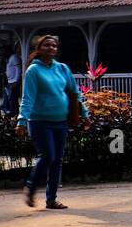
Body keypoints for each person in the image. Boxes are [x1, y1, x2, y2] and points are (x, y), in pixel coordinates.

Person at [15, 34, 88, 209]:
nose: (51, 48)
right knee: (48, 156)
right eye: (47, 45)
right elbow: (28, 98)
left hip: (60, 121)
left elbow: (75, 93)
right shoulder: (34, 70)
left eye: (54, 46)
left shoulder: (62, 68)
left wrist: (85, 114)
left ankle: (51, 199)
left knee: (57, 160)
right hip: (39, 121)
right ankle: (30, 188)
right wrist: (22, 121)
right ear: (39, 49)